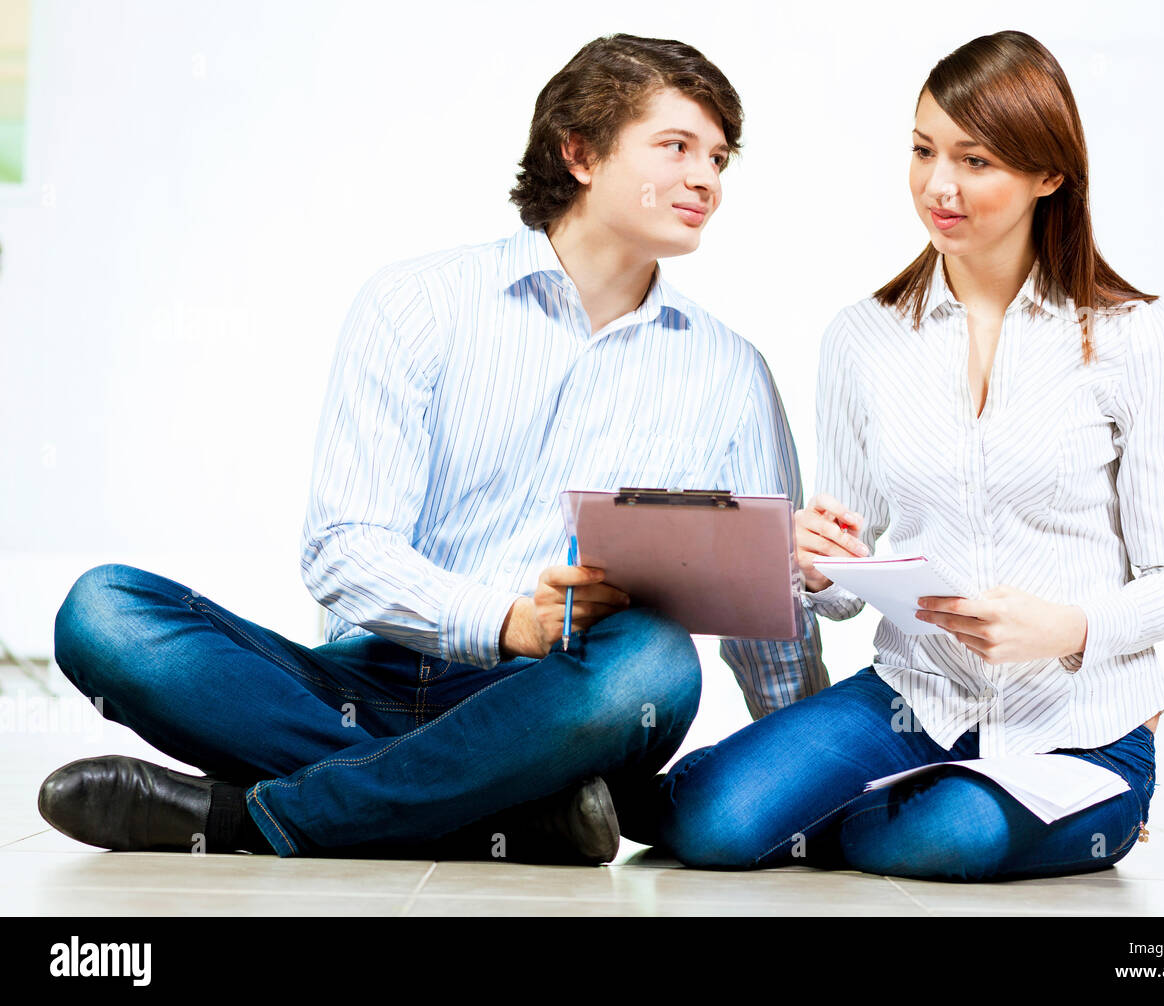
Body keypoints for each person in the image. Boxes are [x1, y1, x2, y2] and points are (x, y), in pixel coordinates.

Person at [38, 33, 829, 863]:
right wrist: (508, 621)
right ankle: (512, 815)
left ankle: (257, 820)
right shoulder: (417, 304)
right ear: (580, 152)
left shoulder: (731, 371)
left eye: (719, 158)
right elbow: (342, 550)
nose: (706, 178)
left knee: (657, 667)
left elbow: (758, 605)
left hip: (553, 699)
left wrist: (811, 775)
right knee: (105, 613)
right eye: (676, 147)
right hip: (355, 686)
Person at [644, 30, 1164, 880]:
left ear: (1048, 175)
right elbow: (838, 594)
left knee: (949, 834)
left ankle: (1087, 811)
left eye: (975, 161)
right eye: (922, 151)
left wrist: (1071, 627)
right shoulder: (863, 339)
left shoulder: (1132, 337)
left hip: (1080, 719)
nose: (937, 187)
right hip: (916, 702)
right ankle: (843, 793)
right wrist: (818, 565)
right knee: (716, 825)